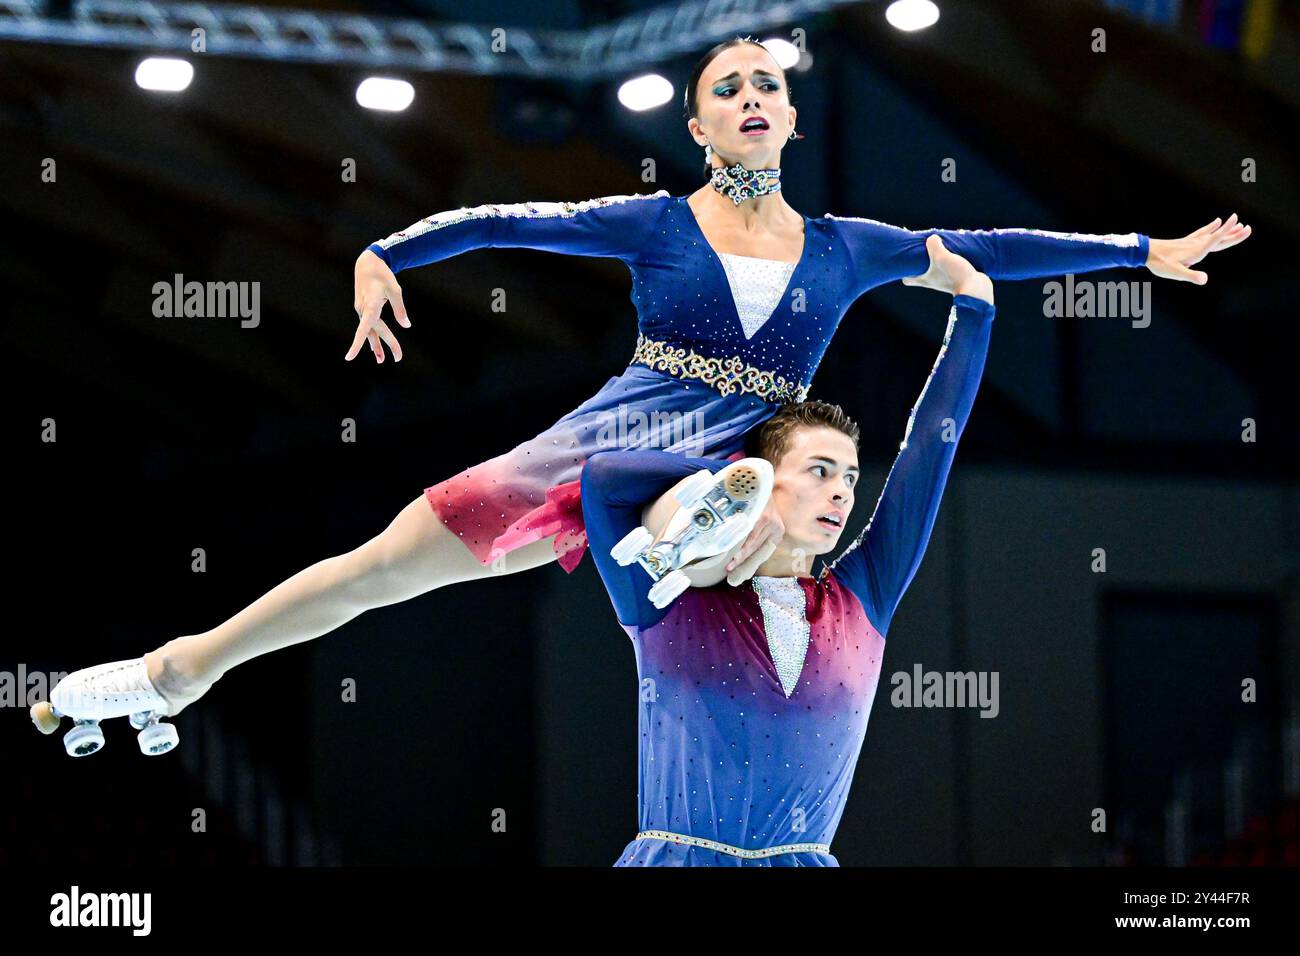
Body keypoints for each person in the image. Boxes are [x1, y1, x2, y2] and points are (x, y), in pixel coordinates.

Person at [37, 36, 1248, 730]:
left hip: (743, 461)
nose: (755, 96)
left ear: (791, 122)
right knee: (374, 574)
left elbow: (986, 251)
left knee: (749, 484)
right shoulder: (652, 221)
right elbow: (504, 219)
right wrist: (382, 252)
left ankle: (685, 543)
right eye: (729, 88)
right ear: (704, 131)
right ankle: (180, 665)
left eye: (769, 84)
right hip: (615, 427)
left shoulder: (851, 246)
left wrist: (1143, 251)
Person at [580, 234, 994, 864]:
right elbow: (603, 481)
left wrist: (975, 310)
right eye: (820, 471)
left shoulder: (866, 595)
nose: (842, 493)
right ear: (765, 473)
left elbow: (929, 450)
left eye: (851, 477)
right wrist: (730, 485)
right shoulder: (669, 597)